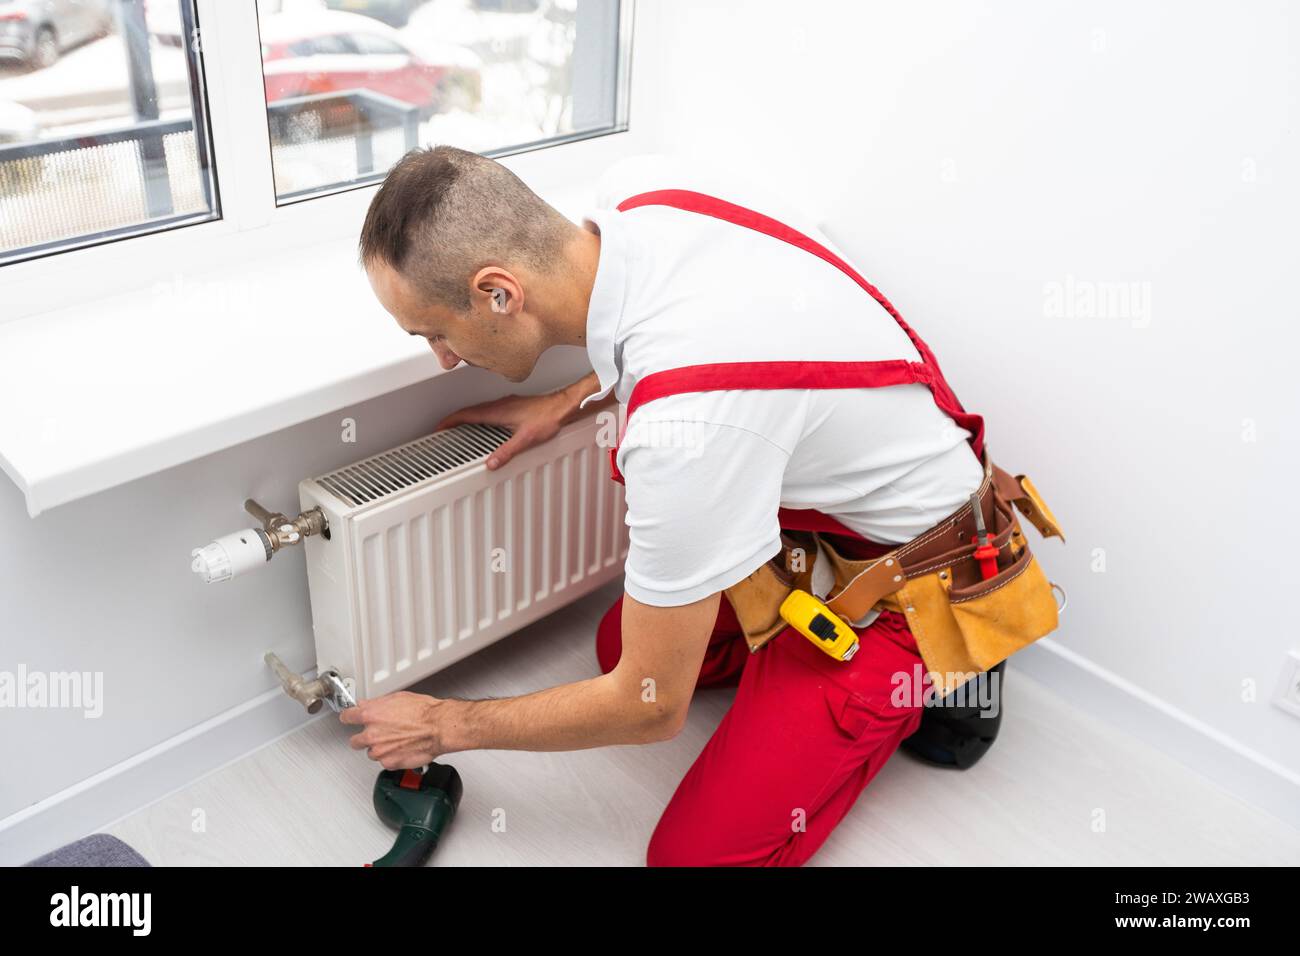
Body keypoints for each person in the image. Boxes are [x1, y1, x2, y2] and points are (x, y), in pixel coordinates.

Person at [343, 146, 993, 866]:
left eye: (435, 331)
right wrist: (567, 400)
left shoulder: (685, 430)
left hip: (920, 579)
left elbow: (650, 709)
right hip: (824, 522)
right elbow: (703, 318)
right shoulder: (645, 192)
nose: (441, 357)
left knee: (685, 847)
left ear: (499, 292)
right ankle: (797, 667)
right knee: (622, 648)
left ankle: (921, 685)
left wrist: (443, 725)